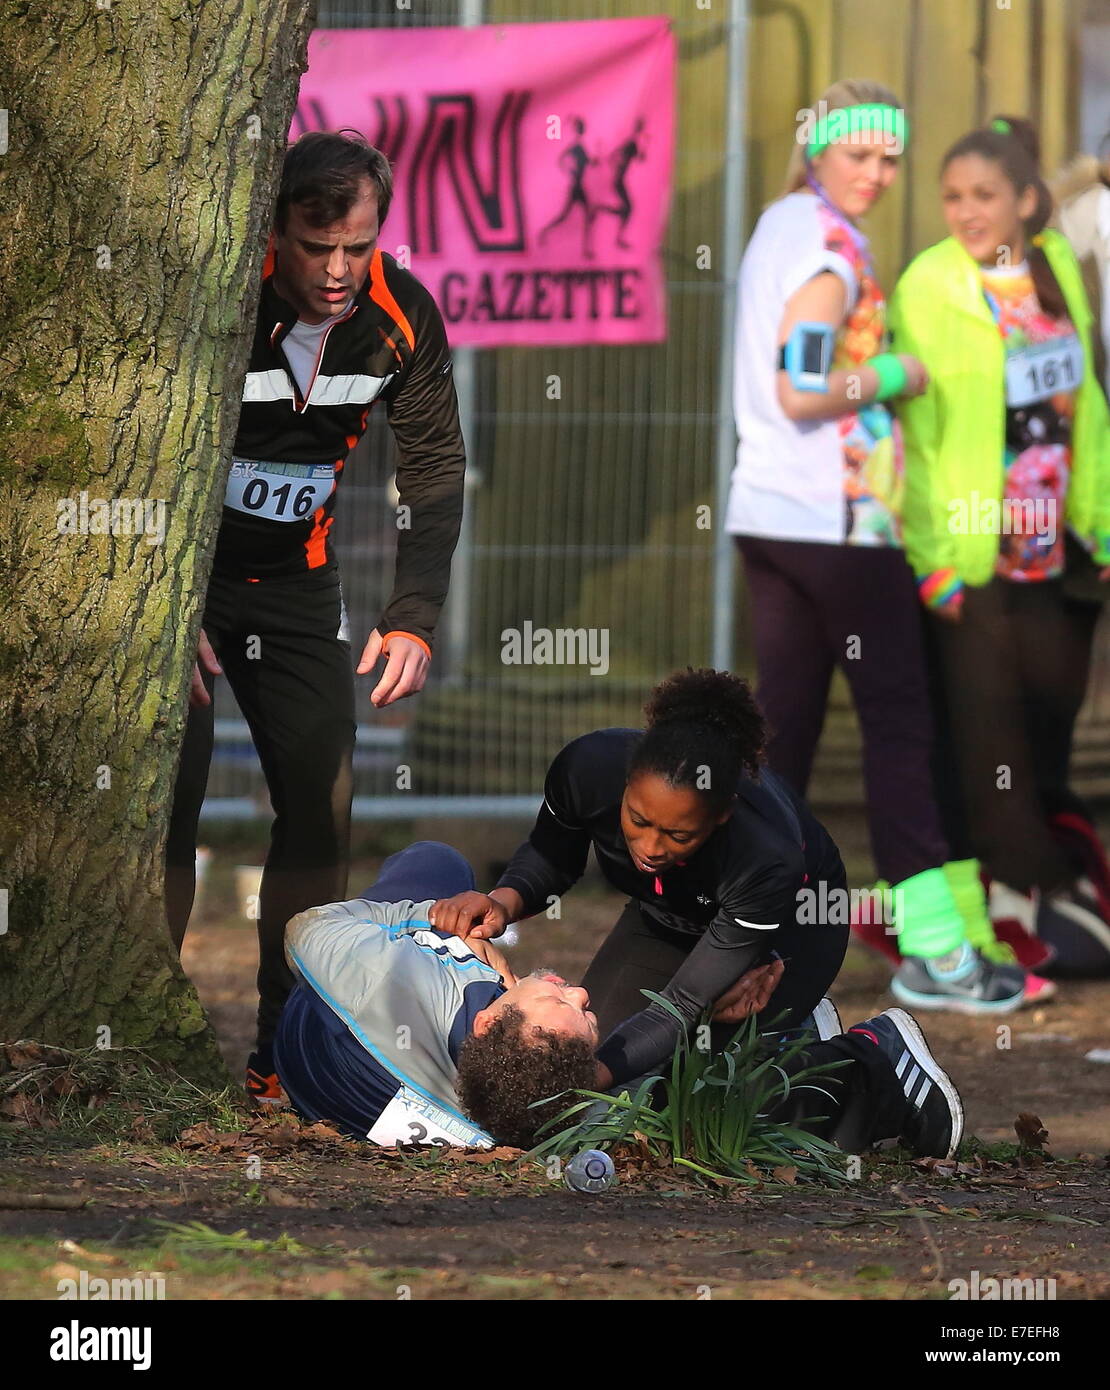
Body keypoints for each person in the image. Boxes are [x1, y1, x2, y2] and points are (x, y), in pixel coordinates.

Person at [165, 130, 467, 1101]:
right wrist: (167, 608)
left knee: (322, 799)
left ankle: (279, 1056)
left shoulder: (400, 317)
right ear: (275, 228)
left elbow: (430, 466)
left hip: (295, 588)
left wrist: (414, 610)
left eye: (359, 247)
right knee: (173, 791)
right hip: (185, 582)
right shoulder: (218, 297)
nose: (338, 271)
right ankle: (134, 1038)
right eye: (316, 245)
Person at [724, 78, 1035, 1011]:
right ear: (820, 148)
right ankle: (939, 954)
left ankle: (740, 943)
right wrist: (895, 373)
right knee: (901, 726)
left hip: (771, 512)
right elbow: (801, 389)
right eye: (860, 154)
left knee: (782, 734)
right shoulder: (829, 245)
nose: (879, 173)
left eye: (891, 157)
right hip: (839, 524)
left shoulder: (780, 221)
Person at [275, 842, 965, 1162]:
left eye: (558, 1000)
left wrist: (434, 925)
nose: (574, 988)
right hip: (401, 1024)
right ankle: (871, 1065)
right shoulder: (540, 1104)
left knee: (437, 858)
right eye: (578, 1008)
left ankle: (787, 1050)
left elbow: (303, 929)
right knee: (678, 1102)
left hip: (345, 1025)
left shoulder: (372, 978)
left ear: (488, 1020)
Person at [889, 116, 1110, 979]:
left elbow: (1085, 406)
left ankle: (1037, 890)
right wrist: (931, 556)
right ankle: (1027, 896)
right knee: (989, 741)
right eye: (952, 196)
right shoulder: (928, 284)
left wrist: (1096, 518)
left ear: (1026, 201)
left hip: (1055, 552)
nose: (967, 212)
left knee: (1048, 722)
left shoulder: (1056, 271)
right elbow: (912, 435)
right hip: (969, 559)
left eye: (985, 195)